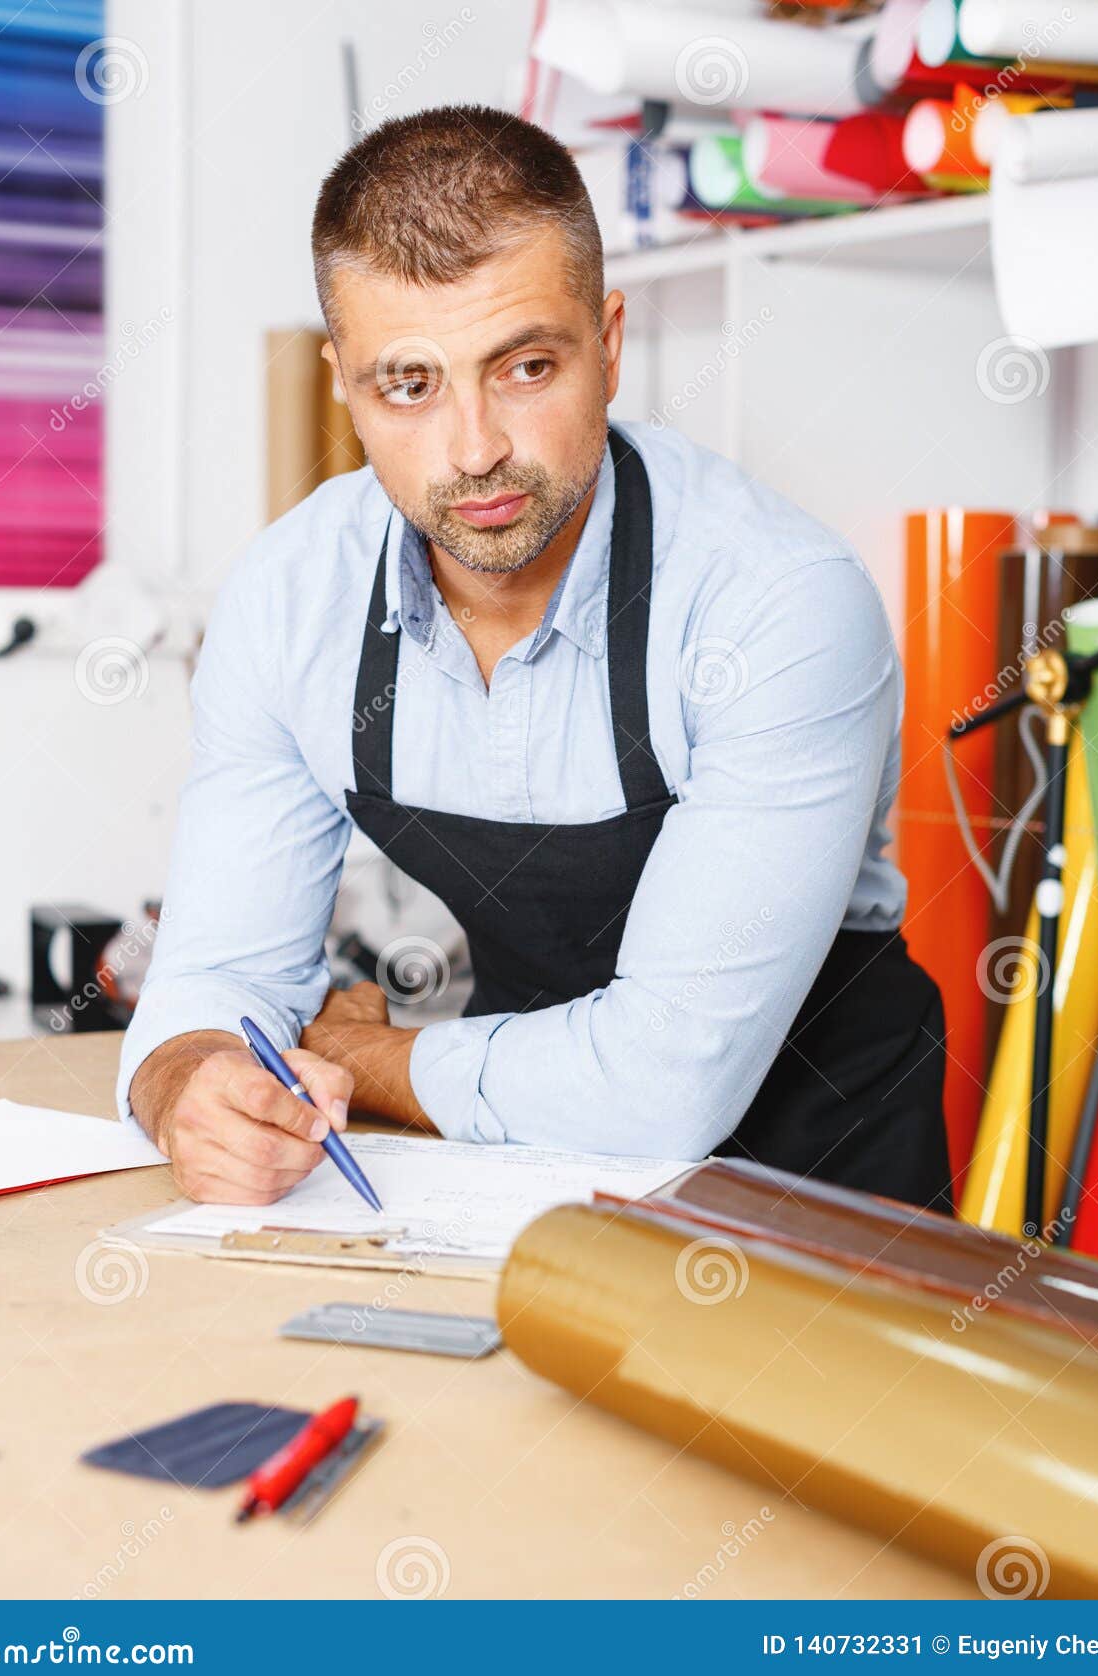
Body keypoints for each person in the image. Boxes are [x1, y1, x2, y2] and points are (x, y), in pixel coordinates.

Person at [119, 104, 951, 1214]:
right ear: (344, 384)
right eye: (409, 384)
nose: (475, 451)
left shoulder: (776, 602)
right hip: (519, 1191)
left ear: (609, 346)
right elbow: (217, 976)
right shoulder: (289, 599)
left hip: (818, 1198)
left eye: (524, 366)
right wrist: (190, 1086)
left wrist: (361, 1056)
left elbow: (661, 1087)